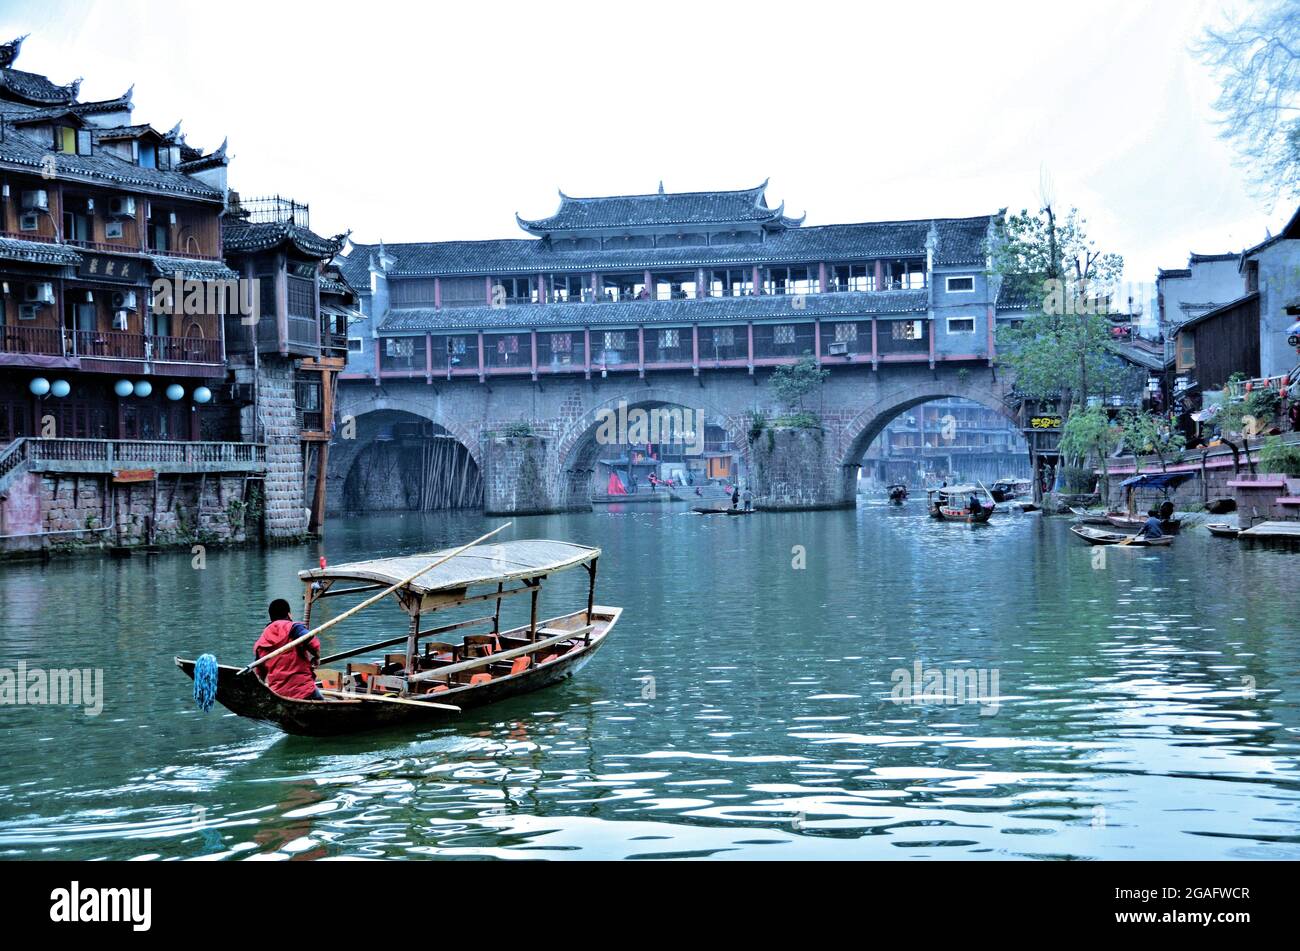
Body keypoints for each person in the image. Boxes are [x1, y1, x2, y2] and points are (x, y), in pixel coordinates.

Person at [253, 599, 324, 701]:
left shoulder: (260, 642)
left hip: (278, 694)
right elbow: (313, 643)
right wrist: (317, 657)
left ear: (271, 617)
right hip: (303, 691)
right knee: (322, 703)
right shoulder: (294, 628)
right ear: (289, 615)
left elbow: (259, 676)